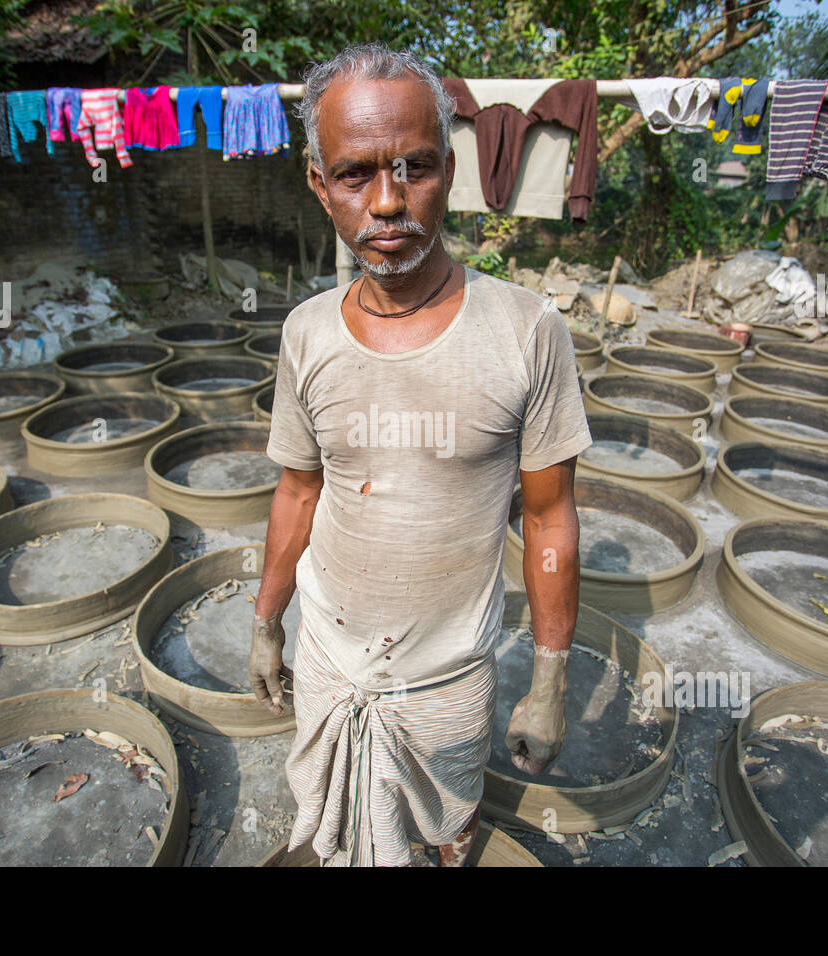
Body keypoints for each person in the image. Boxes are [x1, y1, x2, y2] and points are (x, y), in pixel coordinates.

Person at [248, 42, 591, 867]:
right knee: (334, 824)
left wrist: (549, 684)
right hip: (329, 654)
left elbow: (548, 516)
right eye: (356, 173)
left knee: (448, 825)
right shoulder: (306, 334)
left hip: (448, 673)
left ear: (452, 171)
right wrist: (266, 624)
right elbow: (297, 494)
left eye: (417, 168)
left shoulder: (525, 331)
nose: (388, 202)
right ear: (318, 184)